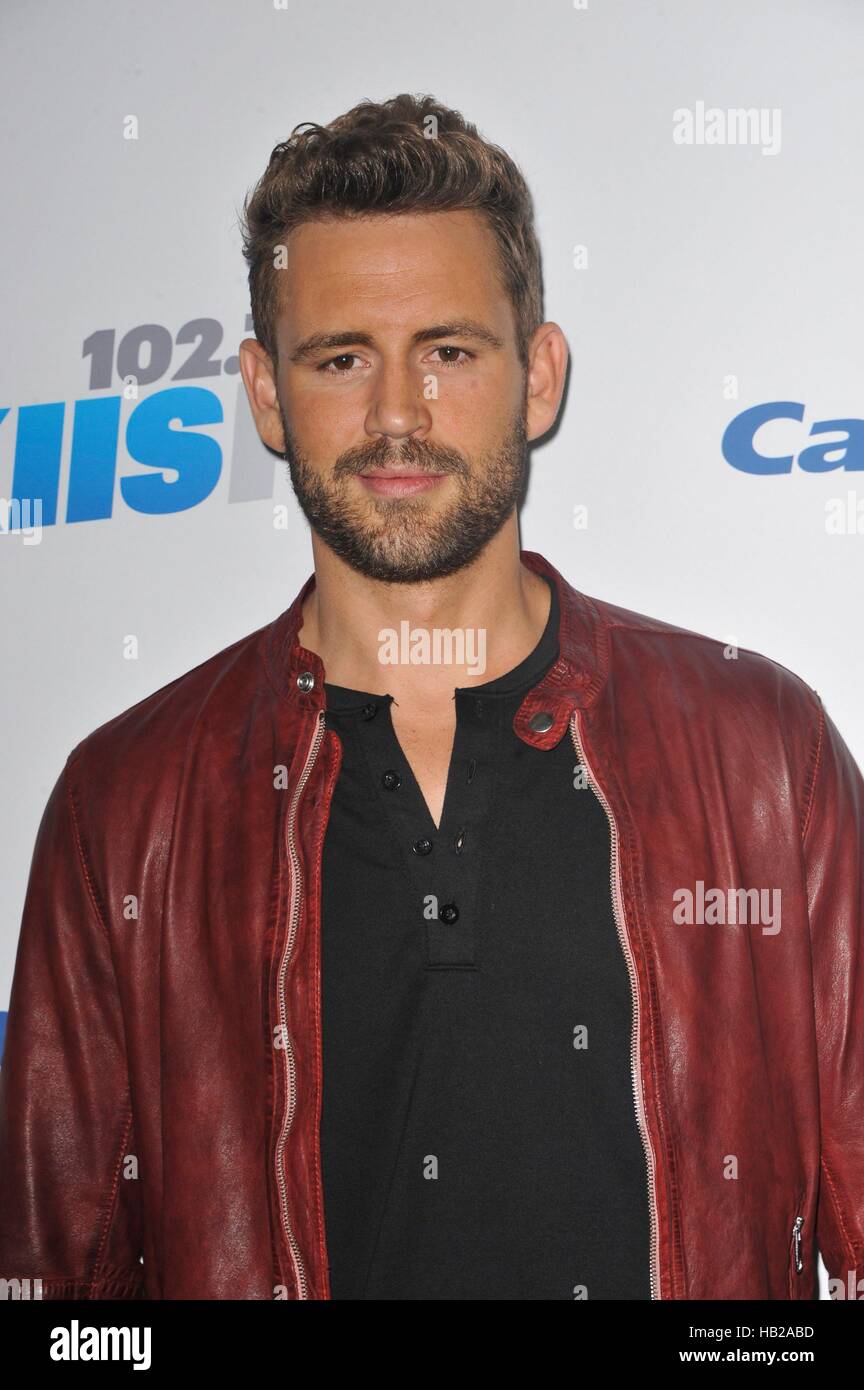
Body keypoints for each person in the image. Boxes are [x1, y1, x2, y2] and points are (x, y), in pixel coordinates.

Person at [1, 93, 861, 1301]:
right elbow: (55, 1293)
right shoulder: (125, 804)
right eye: (341, 357)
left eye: (449, 351)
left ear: (539, 376)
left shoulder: (766, 756)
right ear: (261, 394)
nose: (397, 413)